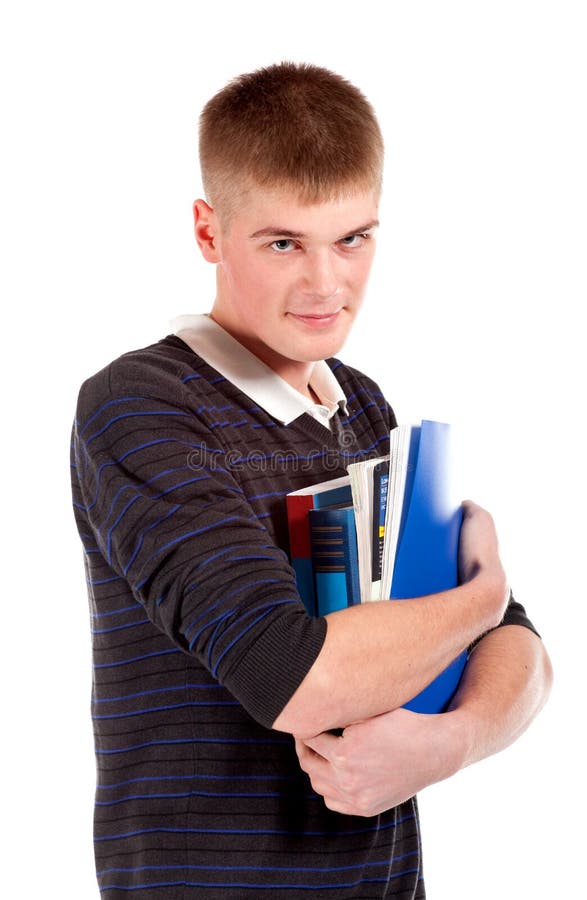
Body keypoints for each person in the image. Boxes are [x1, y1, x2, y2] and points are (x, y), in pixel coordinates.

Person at [70, 61, 552, 899]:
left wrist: (450, 743)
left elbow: (521, 649)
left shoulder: (362, 405)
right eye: (284, 242)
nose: (327, 286)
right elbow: (290, 676)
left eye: (353, 239)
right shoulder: (140, 407)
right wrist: (476, 598)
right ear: (209, 231)